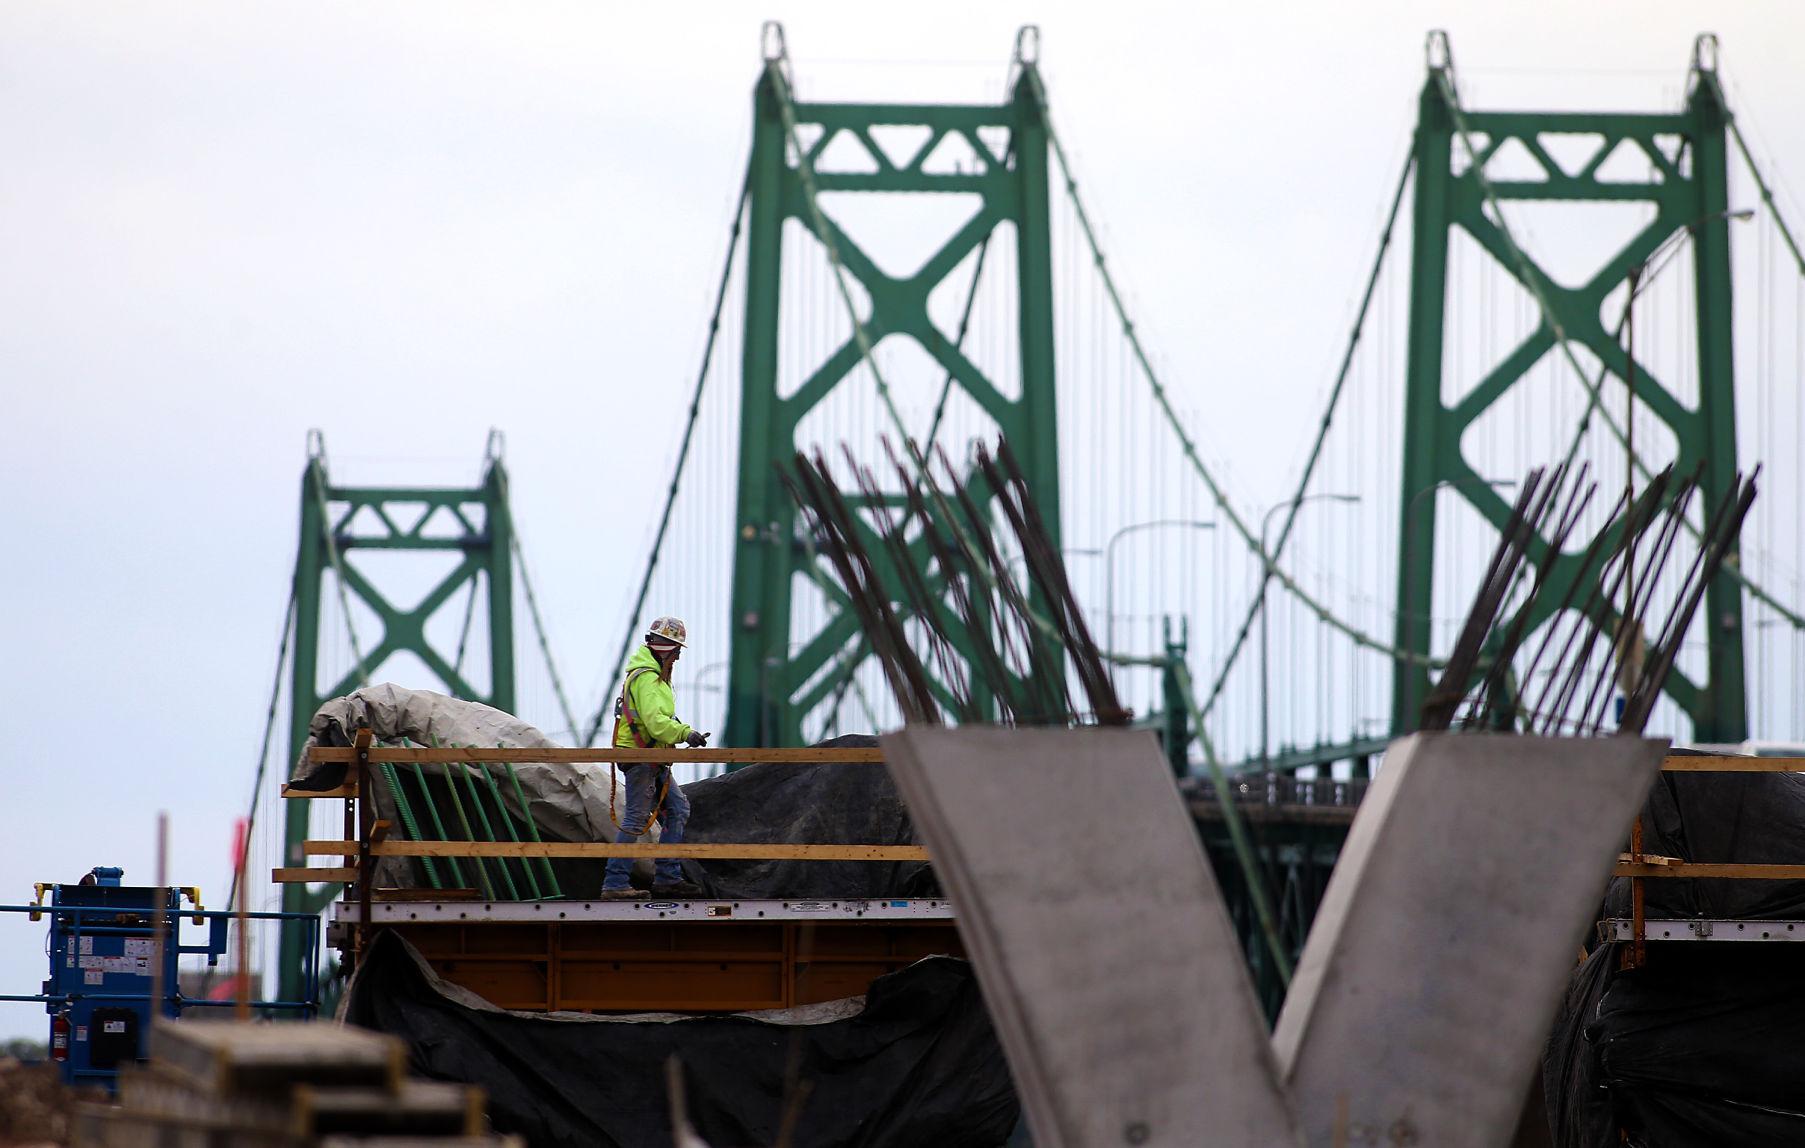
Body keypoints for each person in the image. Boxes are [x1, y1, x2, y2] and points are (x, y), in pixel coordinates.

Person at [600, 615, 710, 900]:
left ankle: (668, 878)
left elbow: (658, 720)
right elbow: (654, 723)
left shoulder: (655, 677)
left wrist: (678, 731)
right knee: (637, 818)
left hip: (652, 756)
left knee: (678, 809)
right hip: (641, 758)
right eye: (676, 650)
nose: (677, 657)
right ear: (666, 648)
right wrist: (685, 733)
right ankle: (614, 883)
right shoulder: (648, 677)